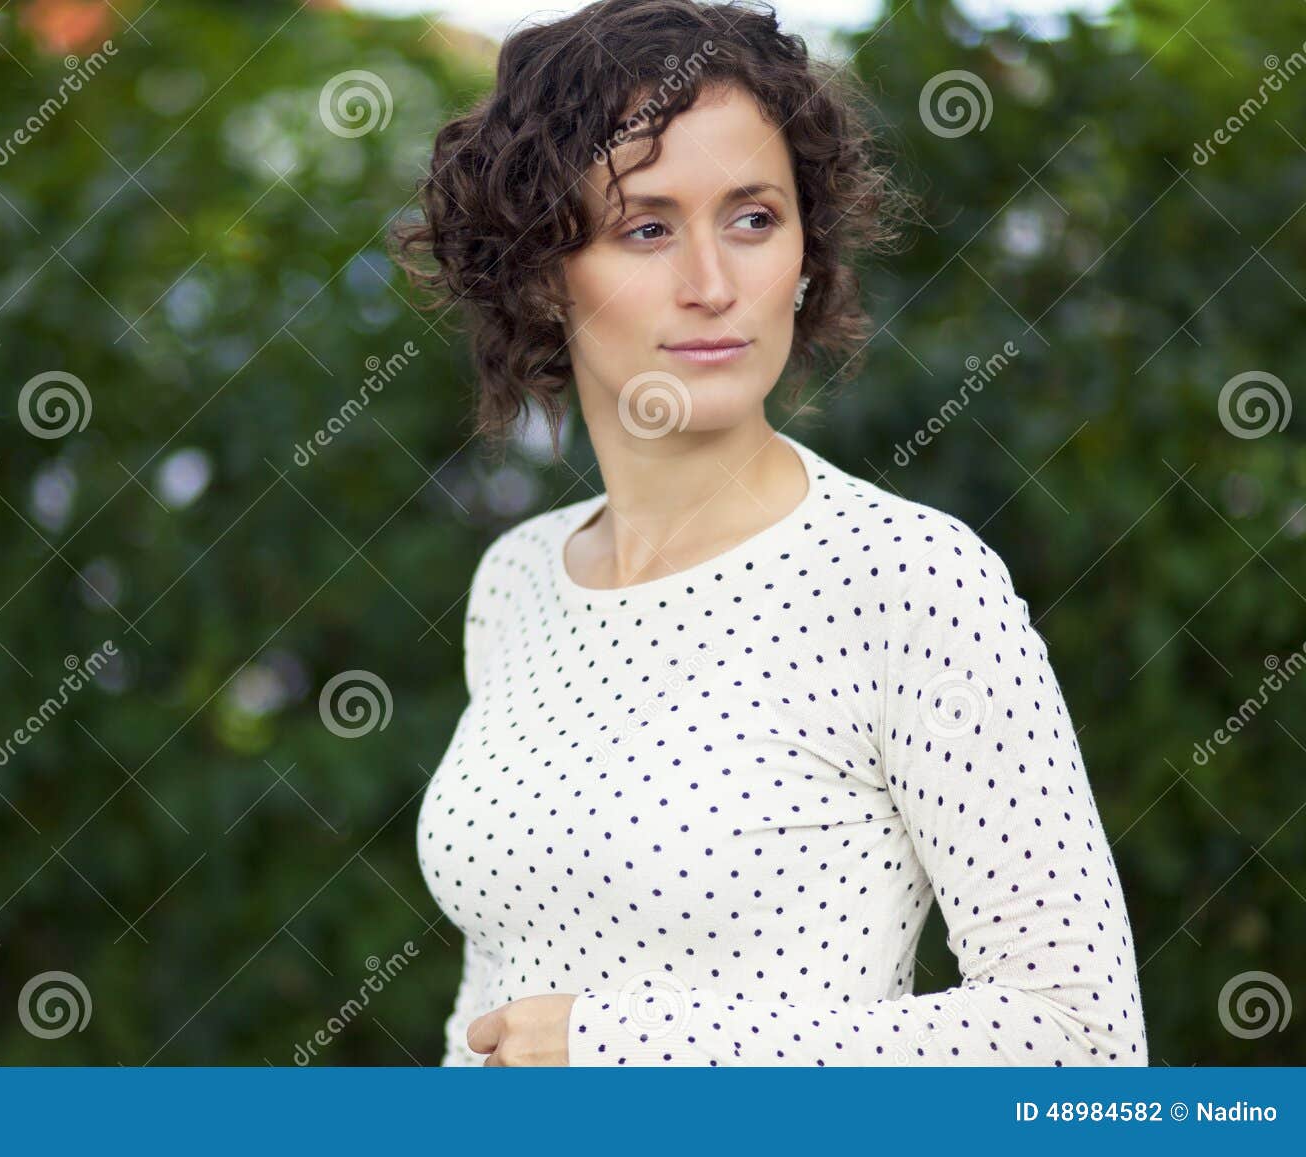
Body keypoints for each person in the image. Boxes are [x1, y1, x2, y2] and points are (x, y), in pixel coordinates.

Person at [394, 0, 1147, 1066]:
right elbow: (494, 1001)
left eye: (752, 219)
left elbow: (1079, 1036)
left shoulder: (909, 579)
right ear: (540, 273)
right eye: (646, 228)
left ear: (804, 248)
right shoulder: (516, 578)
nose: (713, 285)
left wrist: (624, 1041)